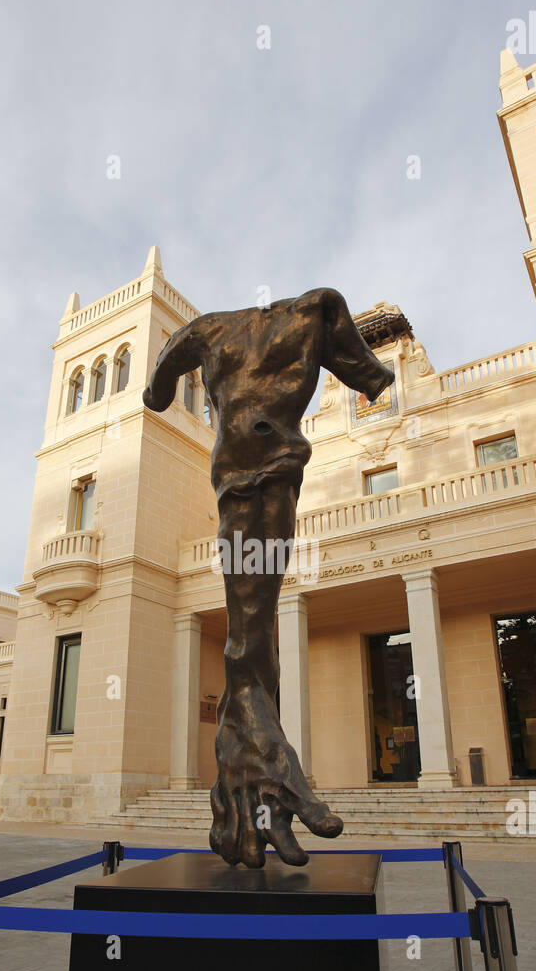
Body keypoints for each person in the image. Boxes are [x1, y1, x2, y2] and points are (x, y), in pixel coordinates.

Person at [144, 287, 395, 868]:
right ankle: (271, 768)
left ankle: (255, 784)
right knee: (249, 636)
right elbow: (367, 372)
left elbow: (157, 385)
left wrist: (167, 388)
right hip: (269, 486)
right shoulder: (318, 311)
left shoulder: (206, 330)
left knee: (252, 635)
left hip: (240, 488)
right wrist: (371, 376)